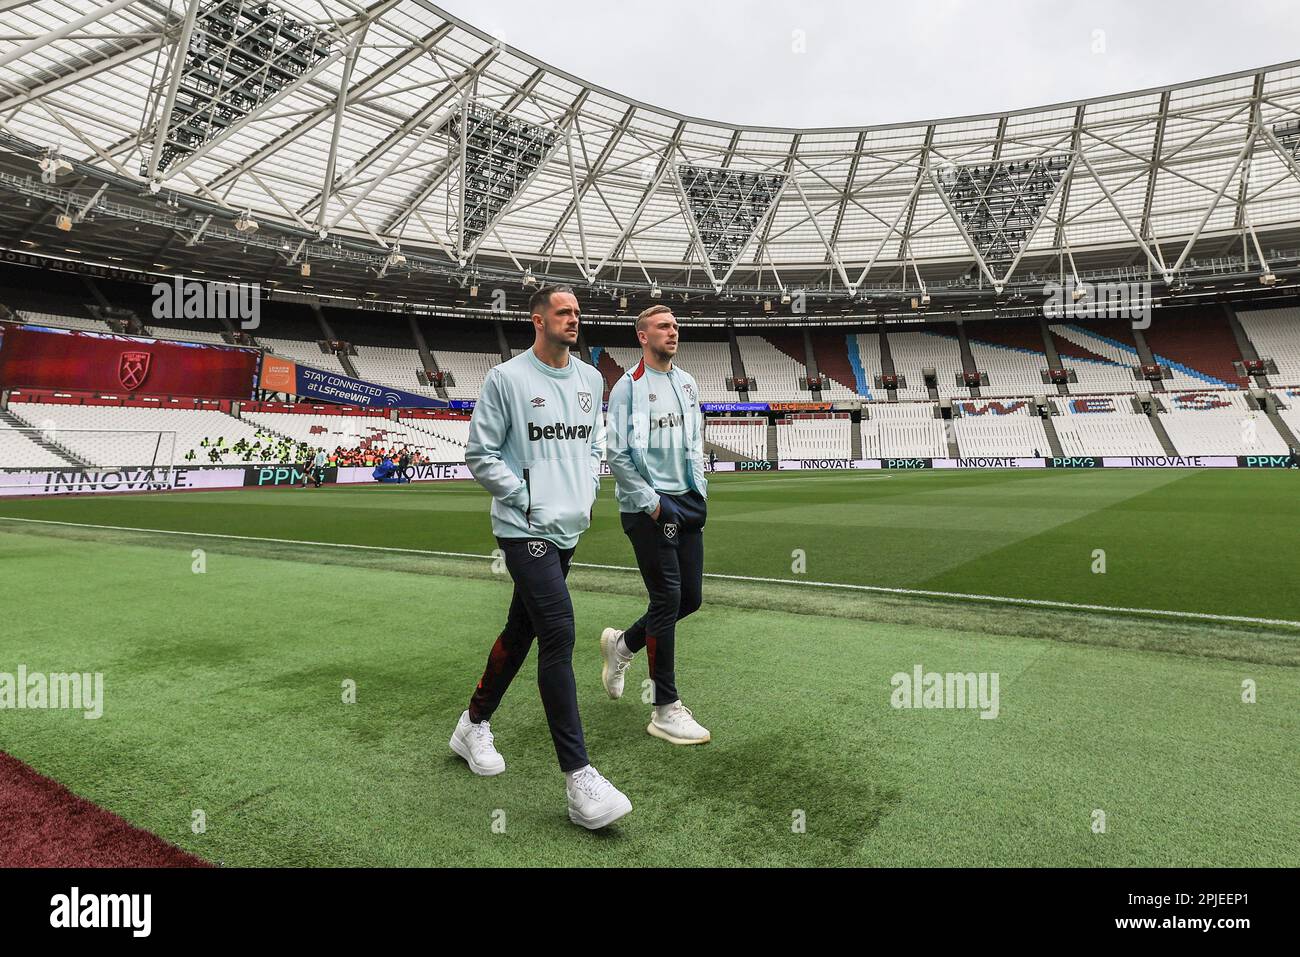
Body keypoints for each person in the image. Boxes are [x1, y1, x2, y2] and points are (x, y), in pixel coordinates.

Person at [450, 284, 632, 830]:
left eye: (577, 312)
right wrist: (526, 497)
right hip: (523, 527)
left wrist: (587, 487)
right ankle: (580, 781)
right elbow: (479, 454)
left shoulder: (590, 377)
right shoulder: (508, 378)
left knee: (522, 630)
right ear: (538, 320)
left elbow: (592, 442)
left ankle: (472, 724)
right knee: (558, 633)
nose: (574, 319)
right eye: (563, 312)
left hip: (569, 528)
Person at [600, 304, 711, 746]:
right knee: (667, 597)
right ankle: (665, 708)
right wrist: (652, 505)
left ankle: (622, 645)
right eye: (664, 326)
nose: (673, 331)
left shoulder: (687, 383)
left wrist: (699, 492)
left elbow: (694, 440)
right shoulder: (628, 387)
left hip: (687, 500)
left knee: (690, 599)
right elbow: (618, 454)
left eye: (676, 326)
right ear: (642, 337)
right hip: (650, 507)